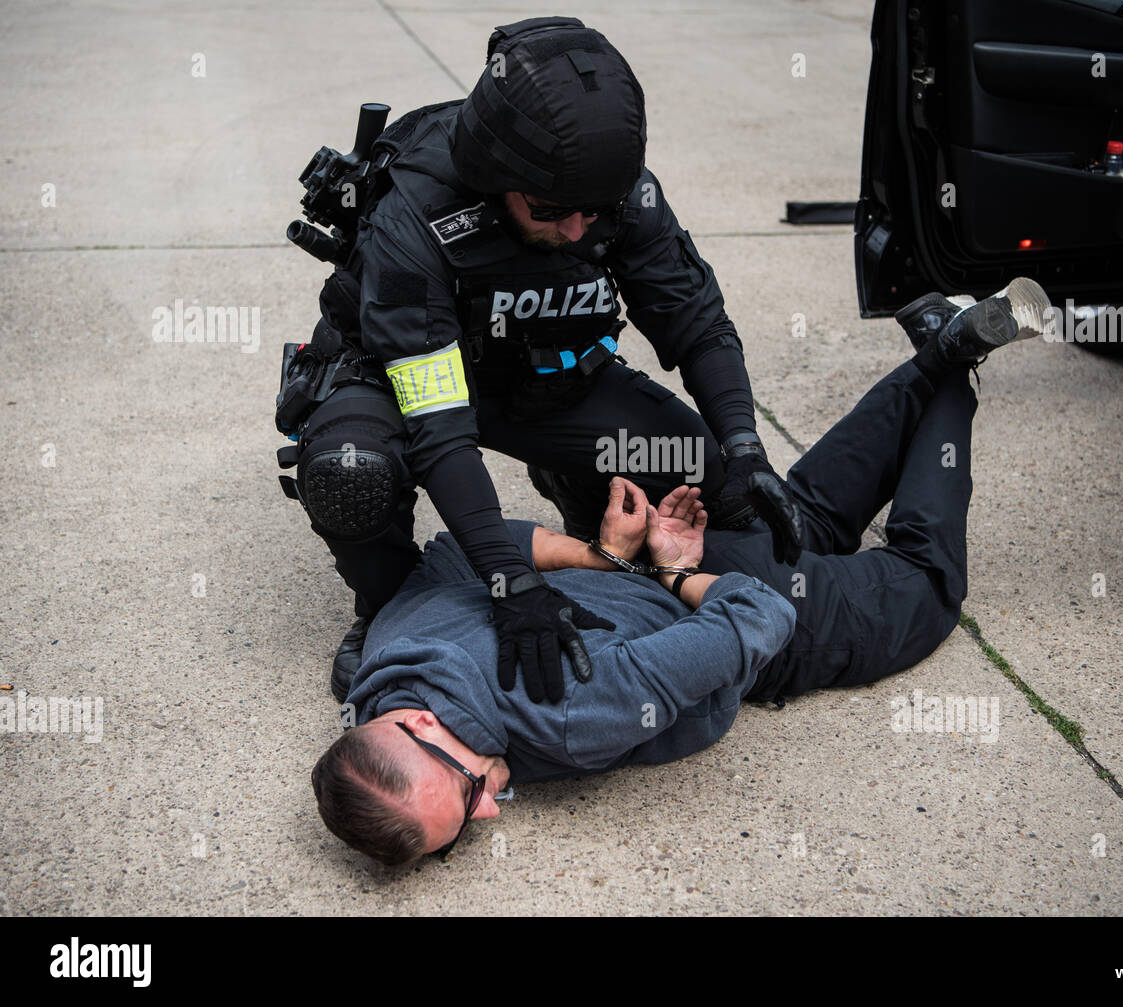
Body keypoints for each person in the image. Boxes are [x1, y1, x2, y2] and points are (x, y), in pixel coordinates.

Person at [310, 279, 1056, 866]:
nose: (492, 811)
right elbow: (461, 550)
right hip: (672, 545)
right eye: (462, 834)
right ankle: (934, 351)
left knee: (923, 584)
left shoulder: (570, 712)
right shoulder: (386, 657)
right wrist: (604, 555)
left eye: (467, 793)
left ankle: (956, 361)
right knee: (809, 514)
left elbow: (760, 618)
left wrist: (667, 575)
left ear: (417, 723)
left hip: (720, 601)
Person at [283, 16, 805, 707]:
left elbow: (697, 319)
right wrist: (509, 580)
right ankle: (390, 599)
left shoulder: (607, 186)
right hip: (399, 386)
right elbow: (440, 423)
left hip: (541, 382)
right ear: (495, 173)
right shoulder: (416, 209)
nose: (575, 229)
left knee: (706, 478)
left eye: (593, 211)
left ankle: (577, 483)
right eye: (552, 210)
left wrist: (744, 443)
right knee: (352, 474)